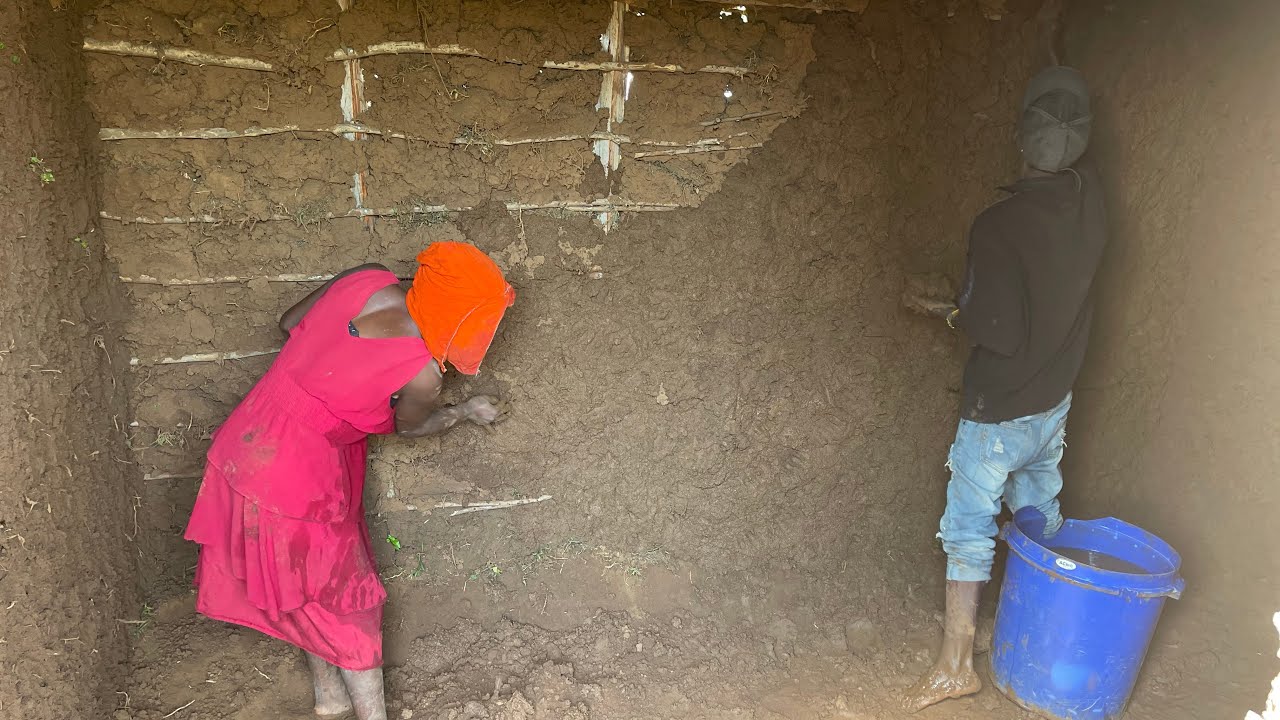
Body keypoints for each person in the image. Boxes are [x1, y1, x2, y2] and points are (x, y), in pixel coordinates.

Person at [184, 242, 516, 720]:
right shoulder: (422, 374)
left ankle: (330, 697)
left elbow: (287, 322)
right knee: (346, 601)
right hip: (300, 477)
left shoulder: (367, 278)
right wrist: (465, 412)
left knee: (302, 586)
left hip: (251, 438)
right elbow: (410, 427)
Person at [901, 11, 1107, 714]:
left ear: (1021, 134)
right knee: (1037, 513)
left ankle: (956, 661)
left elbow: (997, 328)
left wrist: (949, 312)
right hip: (1054, 402)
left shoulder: (998, 225)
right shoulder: (1093, 206)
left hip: (997, 411)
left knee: (968, 527)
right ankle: (1028, 628)